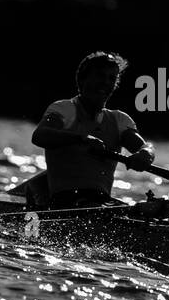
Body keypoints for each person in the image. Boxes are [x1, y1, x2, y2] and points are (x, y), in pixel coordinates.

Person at [31, 52, 155, 208]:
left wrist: (145, 154)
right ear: (82, 79)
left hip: (100, 203)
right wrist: (82, 139)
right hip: (65, 201)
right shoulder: (64, 109)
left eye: (111, 78)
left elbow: (145, 146)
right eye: (100, 76)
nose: (105, 83)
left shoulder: (119, 119)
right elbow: (39, 136)